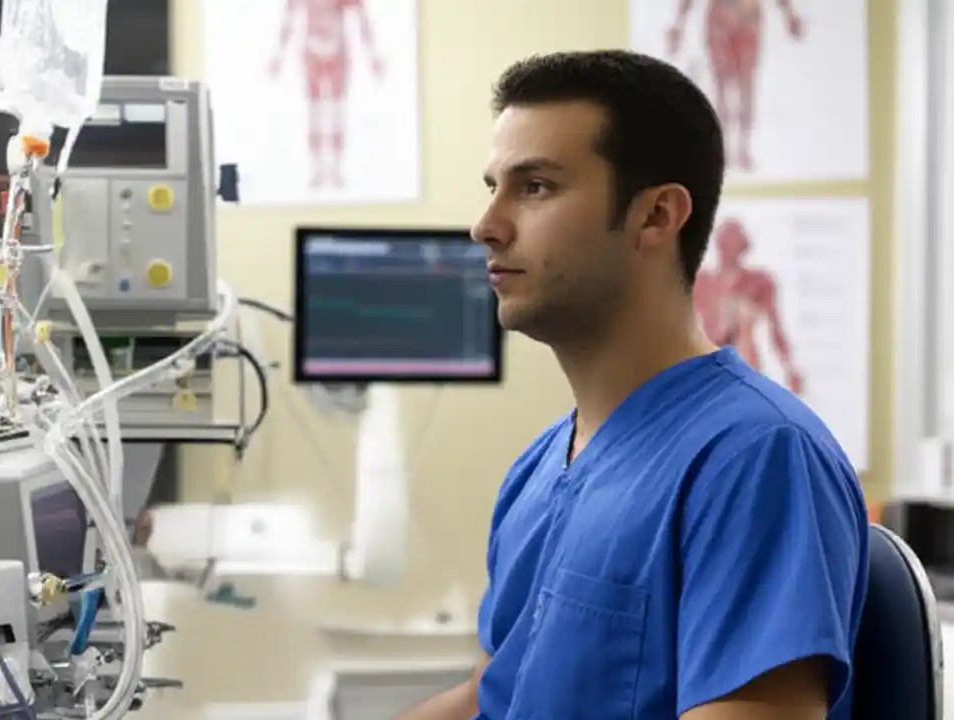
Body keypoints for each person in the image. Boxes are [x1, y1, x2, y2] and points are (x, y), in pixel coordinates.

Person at [396, 50, 866, 720]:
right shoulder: (539, 466)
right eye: (492, 186)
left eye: (535, 188)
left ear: (656, 217)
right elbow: (492, 694)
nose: (486, 226)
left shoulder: (757, 458)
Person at [666, 0, 804, 170]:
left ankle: (742, 148)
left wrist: (789, 15)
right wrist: (678, 24)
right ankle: (727, 148)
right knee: (723, 85)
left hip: (746, 19)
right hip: (722, 20)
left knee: (744, 85)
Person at [268, 0, 386, 189]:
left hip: (337, 54)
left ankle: (335, 168)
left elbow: (362, 20)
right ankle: (317, 169)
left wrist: (373, 56)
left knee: (336, 112)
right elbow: (288, 21)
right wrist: (278, 56)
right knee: (315, 113)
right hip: (313, 55)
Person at [693, 218, 804, 394]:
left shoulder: (758, 282)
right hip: (709, 369)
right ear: (718, 246)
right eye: (725, 245)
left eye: (734, 245)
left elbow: (776, 329)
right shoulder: (702, 282)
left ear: (743, 248)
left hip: (745, 365)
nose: (728, 252)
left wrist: (789, 367)